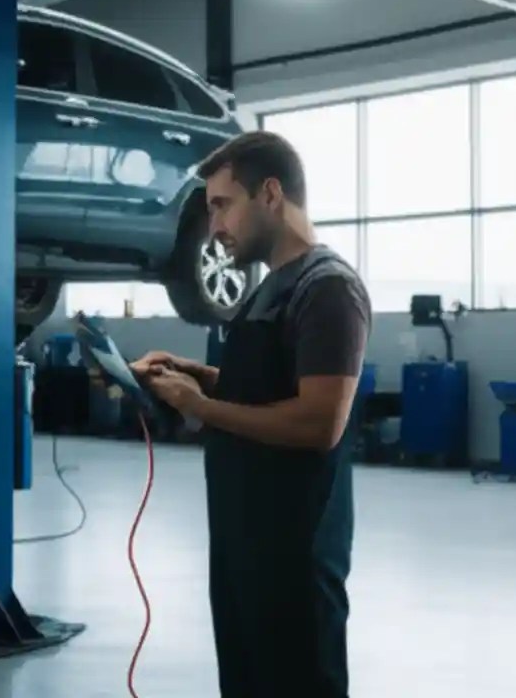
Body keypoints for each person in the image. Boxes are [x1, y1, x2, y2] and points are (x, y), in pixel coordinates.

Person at [132, 131, 371, 698]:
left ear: (270, 194)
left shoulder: (327, 290)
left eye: (222, 205)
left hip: (293, 558)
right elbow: (264, 387)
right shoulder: (268, 290)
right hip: (244, 545)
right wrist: (190, 373)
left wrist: (201, 407)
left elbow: (318, 423)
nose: (213, 226)